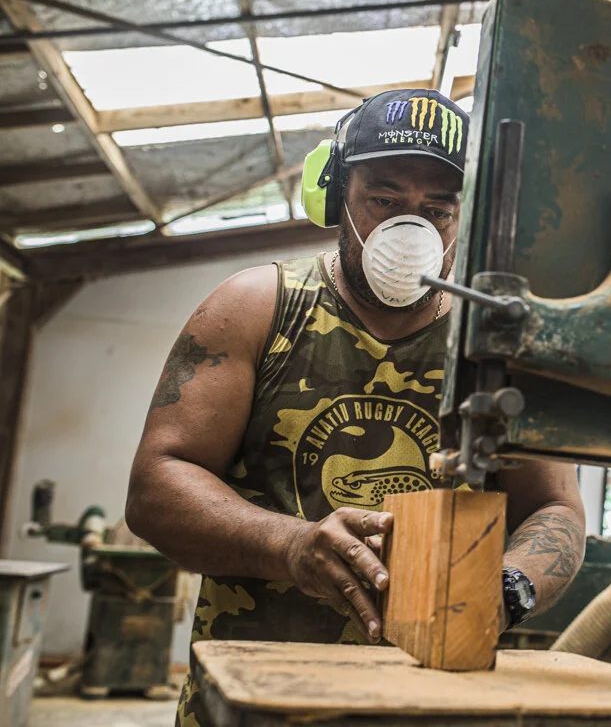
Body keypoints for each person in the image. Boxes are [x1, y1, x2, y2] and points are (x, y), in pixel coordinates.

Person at [125, 90, 586, 726]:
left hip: (426, 705)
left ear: (466, 216)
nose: (411, 229)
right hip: (255, 700)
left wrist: (506, 589)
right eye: (385, 199)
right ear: (335, 193)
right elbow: (155, 488)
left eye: (437, 209)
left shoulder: (492, 345)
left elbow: (554, 509)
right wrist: (290, 544)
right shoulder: (257, 309)